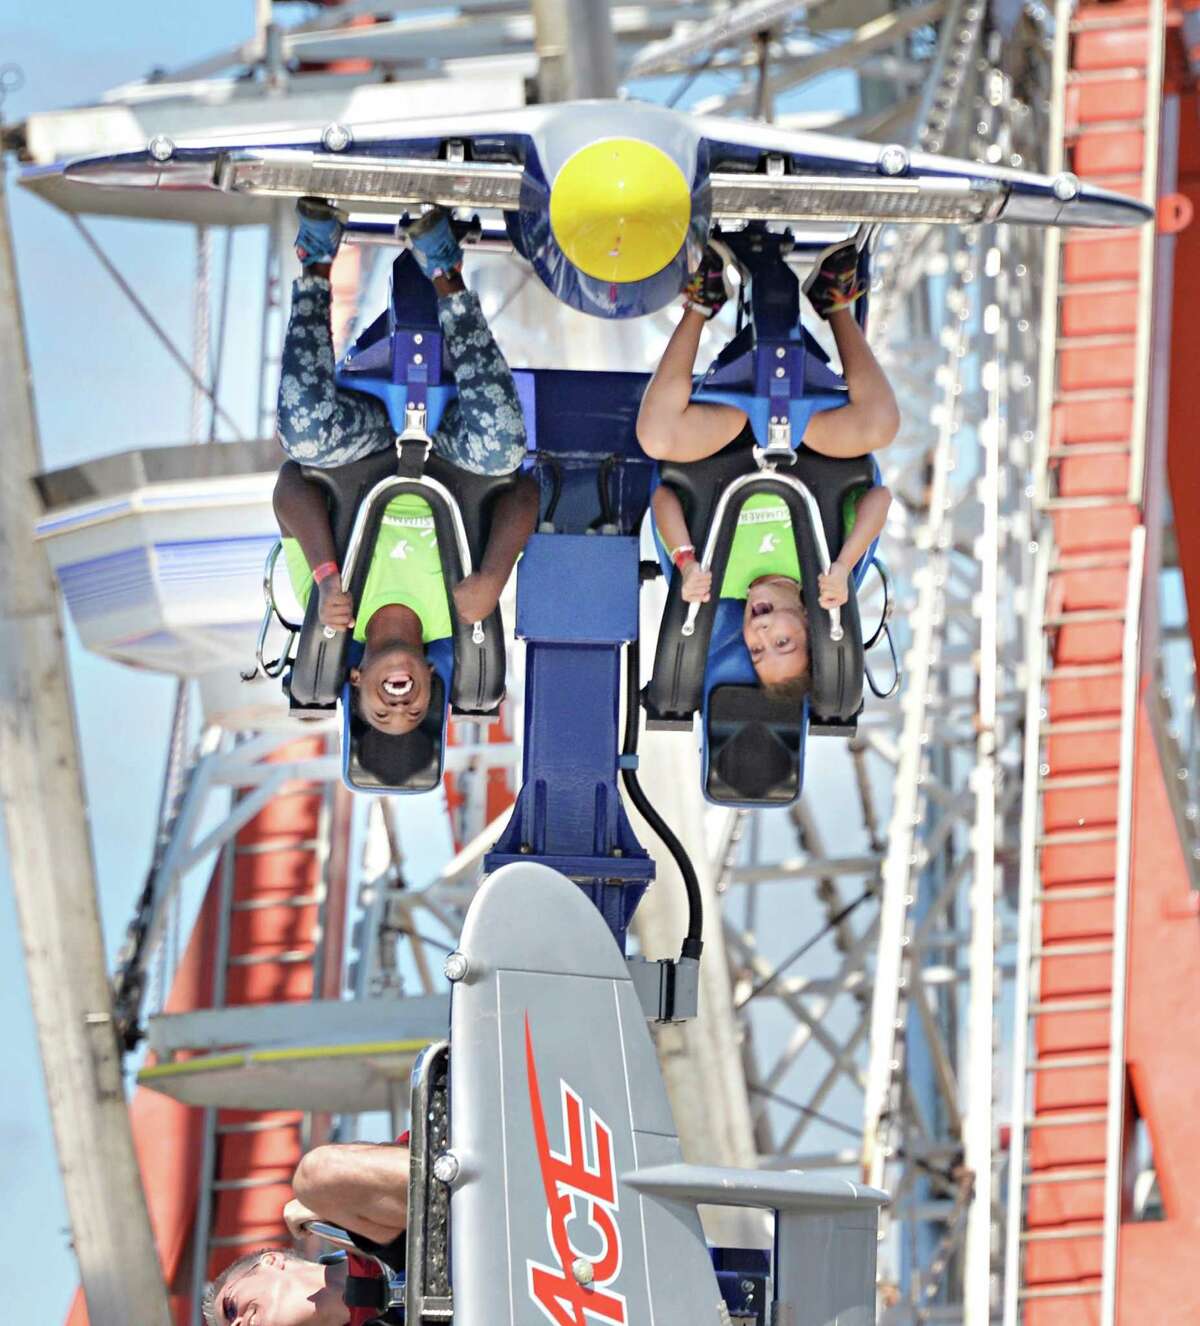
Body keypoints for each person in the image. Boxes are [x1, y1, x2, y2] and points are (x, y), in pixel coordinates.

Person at [274, 199, 539, 735]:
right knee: (505, 448)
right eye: (414, 712)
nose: (400, 704)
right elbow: (524, 494)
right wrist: (492, 576)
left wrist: (327, 578)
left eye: (382, 711)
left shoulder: (322, 604)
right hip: (451, 455)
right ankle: (444, 271)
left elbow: (289, 488)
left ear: (355, 679)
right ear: (429, 681)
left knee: (300, 431)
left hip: (365, 446)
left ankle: (317, 263)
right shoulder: (460, 611)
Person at [637, 237, 897, 697]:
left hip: (727, 431)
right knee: (881, 426)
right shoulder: (826, 573)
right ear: (808, 624)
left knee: (654, 436)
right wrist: (843, 564)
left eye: (757, 651)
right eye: (782, 642)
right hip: (806, 435)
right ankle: (835, 303)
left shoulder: (718, 580)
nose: (761, 636)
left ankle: (700, 303)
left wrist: (686, 561)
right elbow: (879, 498)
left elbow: (663, 498)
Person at [201, 1140, 411, 1326]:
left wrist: (330, 1204)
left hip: (416, 1225)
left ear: (272, 1261)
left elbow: (425, 1146)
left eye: (230, 1309)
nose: (236, 1324)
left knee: (315, 1175)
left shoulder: (347, 1217)